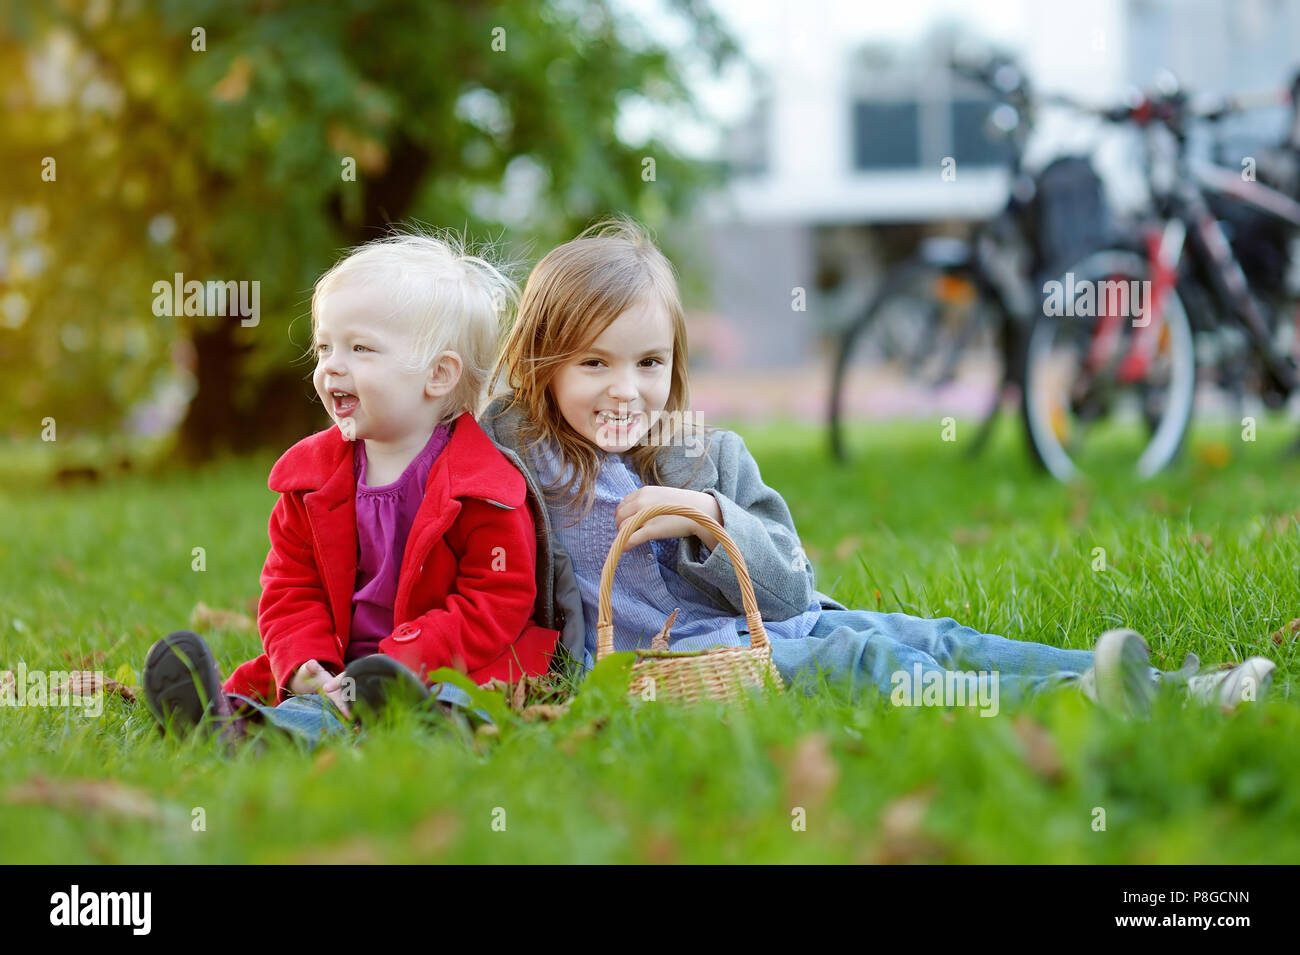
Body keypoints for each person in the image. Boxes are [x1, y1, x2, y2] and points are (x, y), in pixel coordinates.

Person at [478, 219, 1276, 717]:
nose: (627, 389)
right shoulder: (518, 463)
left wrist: (714, 519)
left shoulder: (703, 454)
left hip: (780, 622)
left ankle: (1178, 685)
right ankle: (1083, 698)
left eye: (649, 362)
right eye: (593, 362)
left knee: (933, 635)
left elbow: (791, 585)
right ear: (544, 362)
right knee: (868, 663)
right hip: (674, 667)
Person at [142, 232, 560, 749]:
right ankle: (232, 726)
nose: (331, 366)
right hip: (338, 662)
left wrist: (403, 658)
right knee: (310, 701)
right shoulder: (311, 481)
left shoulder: (485, 488)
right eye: (324, 347)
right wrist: (307, 663)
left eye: (360, 348)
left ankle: (370, 722)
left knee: (450, 704)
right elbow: (291, 586)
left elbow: (496, 598)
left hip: (445, 665)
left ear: (438, 375)